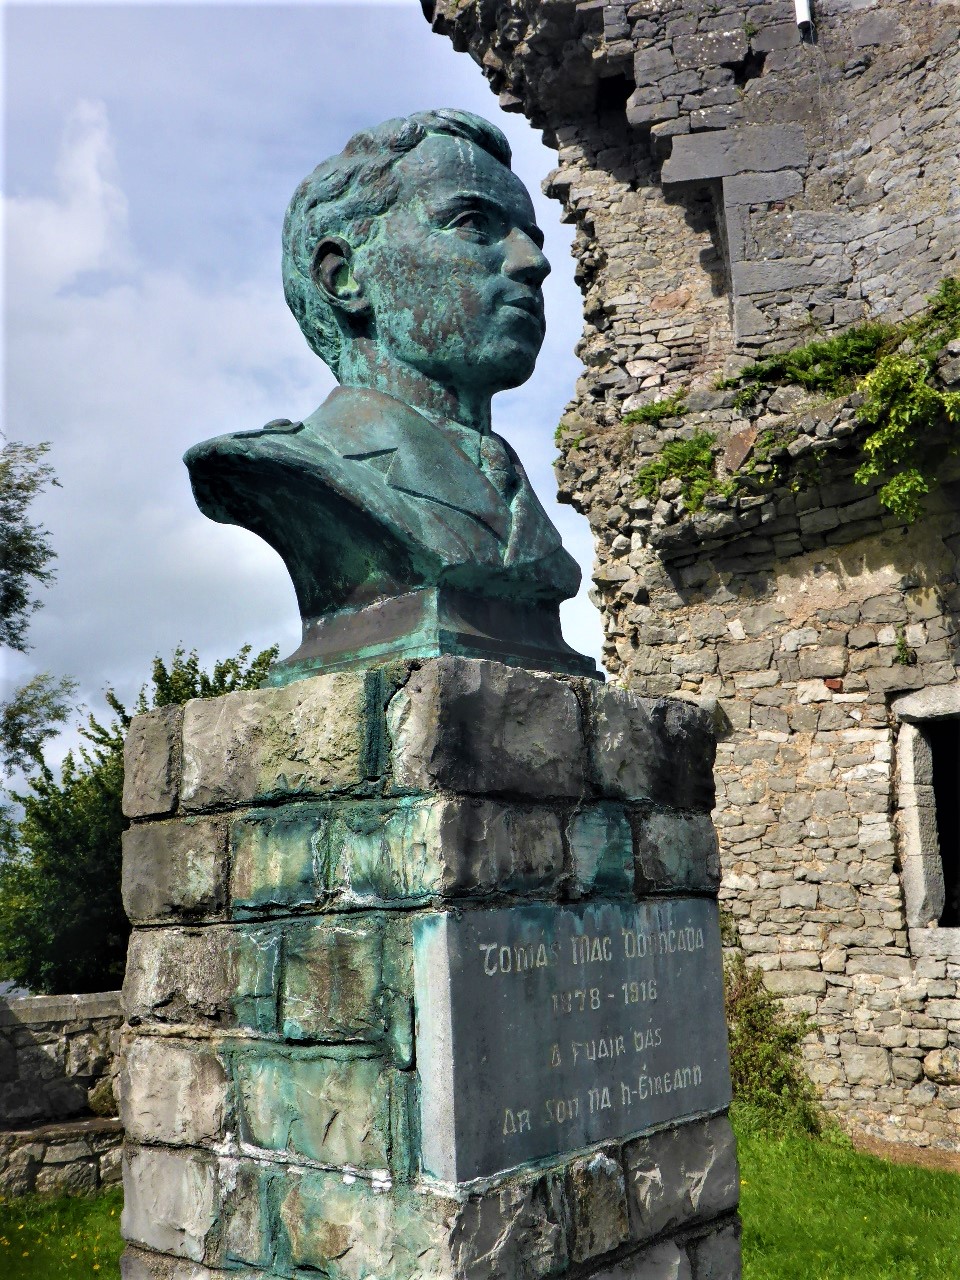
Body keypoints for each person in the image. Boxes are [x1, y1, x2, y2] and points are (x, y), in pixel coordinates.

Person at [185, 109, 595, 680]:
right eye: (474, 224)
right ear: (344, 277)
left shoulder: (511, 485)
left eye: (531, 236)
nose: (534, 262)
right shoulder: (294, 467)